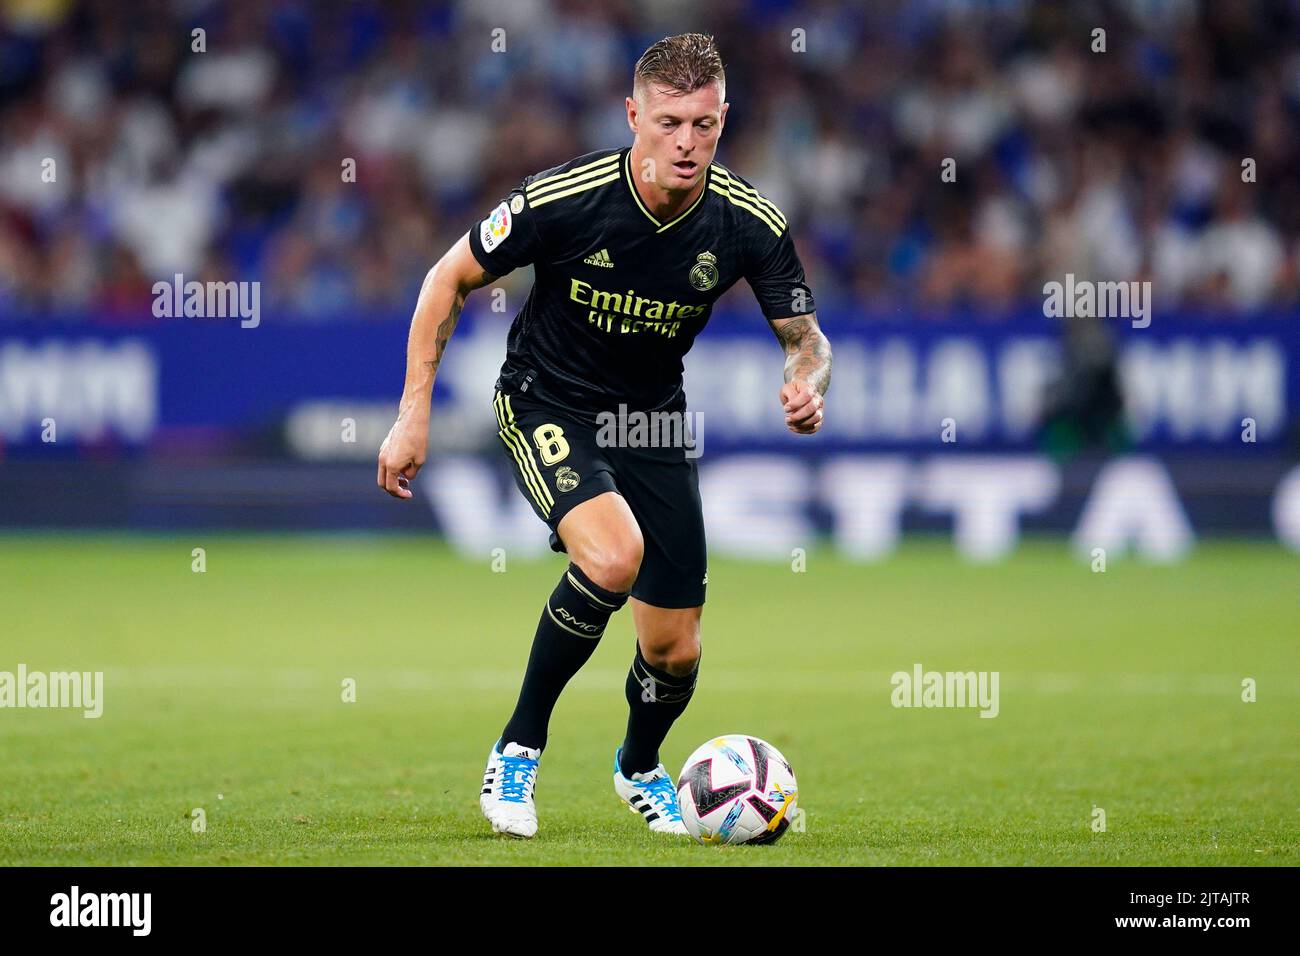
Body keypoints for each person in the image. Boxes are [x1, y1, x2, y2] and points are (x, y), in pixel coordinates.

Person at [377, 33, 831, 838]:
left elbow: (806, 337)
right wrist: (414, 413)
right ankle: (517, 749)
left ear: (724, 119)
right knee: (612, 556)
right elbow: (447, 276)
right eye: (668, 123)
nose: (686, 143)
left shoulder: (748, 222)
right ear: (633, 116)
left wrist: (806, 380)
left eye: (703, 124)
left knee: (675, 650)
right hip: (546, 400)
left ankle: (638, 766)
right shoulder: (567, 198)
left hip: (651, 418)